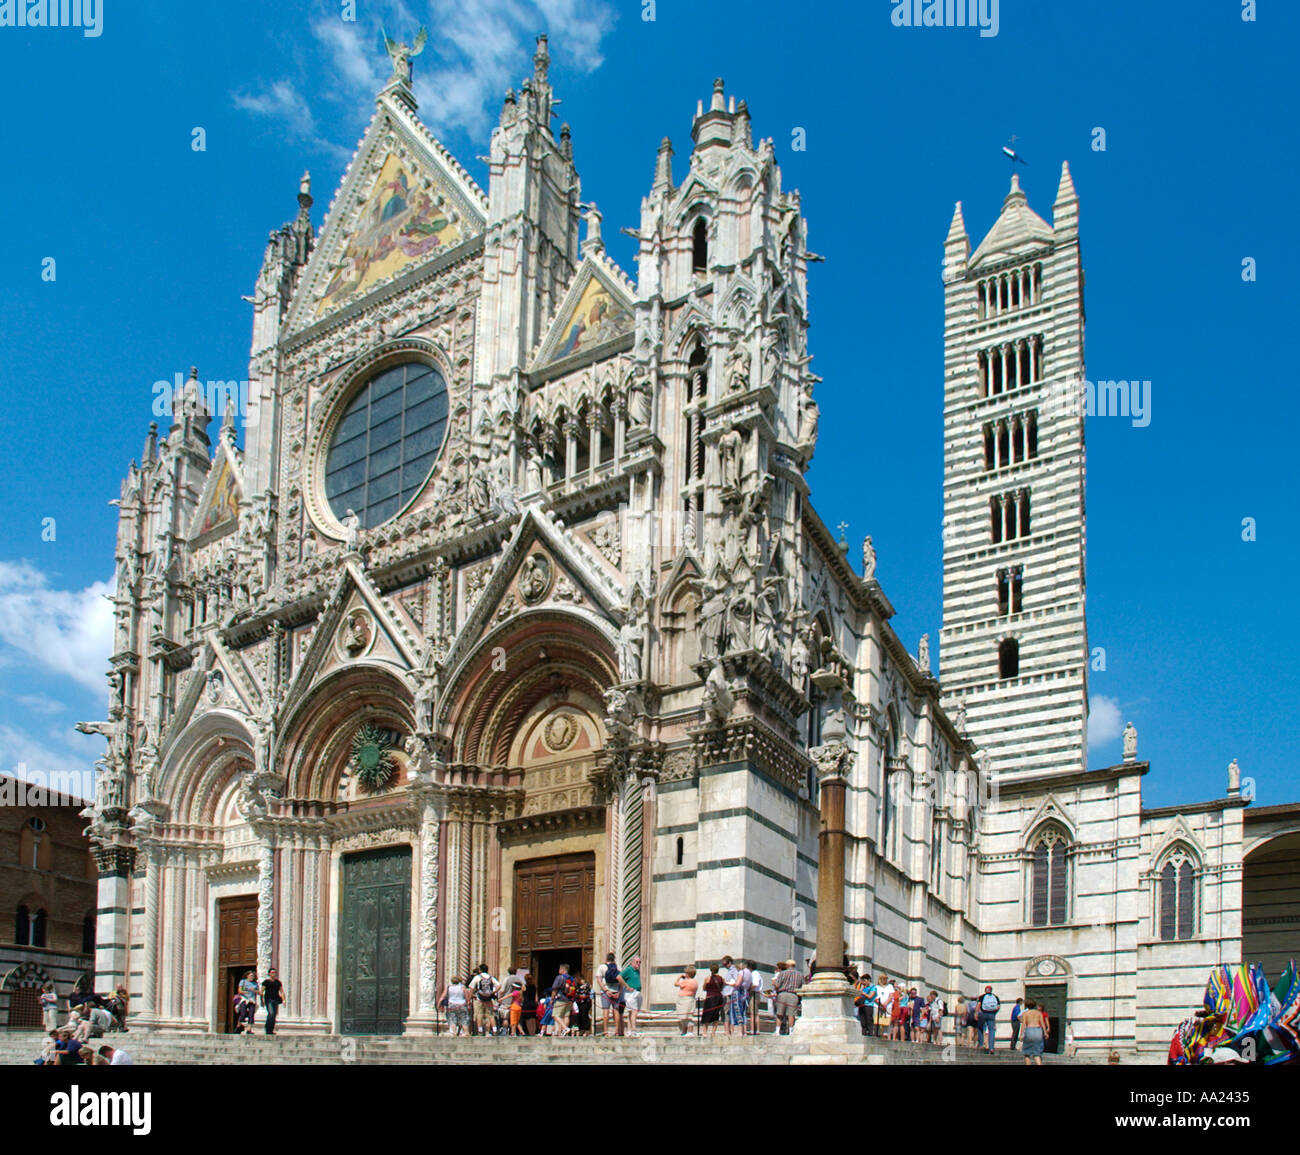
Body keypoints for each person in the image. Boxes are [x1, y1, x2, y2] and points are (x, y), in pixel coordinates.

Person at [770, 959, 802, 1035]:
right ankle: (791, 1031)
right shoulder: (799, 974)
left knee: (779, 1013)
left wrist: (774, 983)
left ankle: (777, 1031)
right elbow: (802, 986)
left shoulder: (782, 973)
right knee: (791, 1014)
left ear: (787, 965)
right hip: (793, 995)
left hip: (782, 994)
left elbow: (777, 985)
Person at [597, 953, 623, 1036]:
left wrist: (605, 990)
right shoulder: (618, 967)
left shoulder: (602, 967)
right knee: (616, 1010)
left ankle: (605, 1031)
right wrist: (619, 992)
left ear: (606, 958)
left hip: (606, 992)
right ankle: (616, 1031)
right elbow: (621, 981)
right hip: (616, 991)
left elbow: (599, 980)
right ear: (614, 959)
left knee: (605, 1011)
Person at [470, 965, 498, 1036]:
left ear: (480, 970)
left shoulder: (477, 977)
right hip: (488, 998)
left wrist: (472, 995)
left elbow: (471, 987)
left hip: (479, 998)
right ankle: (494, 1030)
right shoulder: (491, 977)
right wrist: (493, 992)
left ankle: (480, 1030)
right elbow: (499, 985)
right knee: (491, 1015)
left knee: (479, 1014)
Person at [1019, 998, 1048, 1065]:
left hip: (1029, 1030)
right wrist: (1045, 1032)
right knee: (1037, 1054)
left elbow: (1023, 1024)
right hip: (1038, 1031)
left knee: (1027, 1054)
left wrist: (1021, 1035)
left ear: (1026, 1005)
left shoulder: (1025, 1013)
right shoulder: (1039, 1013)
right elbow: (1042, 1023)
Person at [619, 955, 643, 1036]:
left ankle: (629, 1030)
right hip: (630, 994)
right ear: (632, 962)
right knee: (634, 1011)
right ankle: (634, 1030)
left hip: (637, 992)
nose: (638, 964)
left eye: (640, 962)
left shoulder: (637, 971)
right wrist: (627, 986)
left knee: (631, 1012)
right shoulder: (629, 969)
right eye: (637, 962)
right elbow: (619, 977)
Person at [549, 964, 575, 1036]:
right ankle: (564, 1032)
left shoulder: (560, 977)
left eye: (560, 969)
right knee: (566, 1016)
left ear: (563, 970)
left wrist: (552, 998)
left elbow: (555, 988)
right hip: (569, 999)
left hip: (560, 999)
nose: (558, 971)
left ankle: (565, 1028)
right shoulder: (572, 978)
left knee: (555, 1015)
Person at [700, 964, 725, 1038]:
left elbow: (704, 988)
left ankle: (705, 1032)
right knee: (716, 1015)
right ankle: (713, 1032)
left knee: (706, 1015)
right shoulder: (721, 978)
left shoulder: (708, 978)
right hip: (718, 998)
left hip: (710, 997)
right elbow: (722, 988)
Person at [674, 966, 699, 1036]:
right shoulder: (695, 982)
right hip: (690, 999)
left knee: (685, 1017)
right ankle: (685, 1031)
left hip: (684, 1000)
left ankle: (688, 1031)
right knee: (687, 1016)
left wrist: (679, 977)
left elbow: (675, 984)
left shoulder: (686, 981)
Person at [261, 968, 285, 1036]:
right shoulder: (266, 982)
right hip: (268, 999)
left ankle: (271, 1030)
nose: (273, 974)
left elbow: (281, 991)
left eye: (274, 972)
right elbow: (262, 991)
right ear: (269, 974)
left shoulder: (278, 982)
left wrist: (284, 1000)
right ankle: (267, 1028)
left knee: (274, 1015)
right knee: (271, 1013)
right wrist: (261, 1000)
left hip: (276, 999)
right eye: (272, 972)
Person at [977, 985, 1001, 1053]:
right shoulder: (995, 997)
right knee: (991, 1031)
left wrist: (976, 1013)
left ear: (985, 990)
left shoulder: (982, 997)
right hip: (992, 1014)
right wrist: (994, 1013)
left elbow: (978, 1005)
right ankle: (991, 1048)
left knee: (980, 1027)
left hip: (983, 1014)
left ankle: (981, 1044)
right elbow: (998, 1007)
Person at [732, 959, 752, 1036]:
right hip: (745, 992)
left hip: (739, 992)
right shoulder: (749, 973)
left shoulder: (741, 972)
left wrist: (729, 983)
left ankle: (740, 1031)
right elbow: (750, 985)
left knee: (738, 1011)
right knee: (744, 1013)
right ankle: (744, 1031)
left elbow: (737, 983)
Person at [236, 969, 260, 1034]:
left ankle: (249, 1029)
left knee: (251, 1014)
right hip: (244, 999)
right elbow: (240, 990)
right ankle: (238, 1026)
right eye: (251, 975)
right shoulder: (243, 982)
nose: (252, 977)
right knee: (243, 1013)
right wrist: (246, 990)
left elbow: (259, 992)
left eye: (253, 976)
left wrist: (254, 990)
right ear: (247, 976)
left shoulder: (255, 984)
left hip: (252, 1000)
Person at [748, 963, 763, 1035]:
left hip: (754, 993)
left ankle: (753, 1030)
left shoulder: (754, 974)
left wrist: (749, 990)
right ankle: (756, 1030)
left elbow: (755, 984)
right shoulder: (757, 973)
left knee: (753, 1013)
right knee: (755, 1013)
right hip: (756, 993)